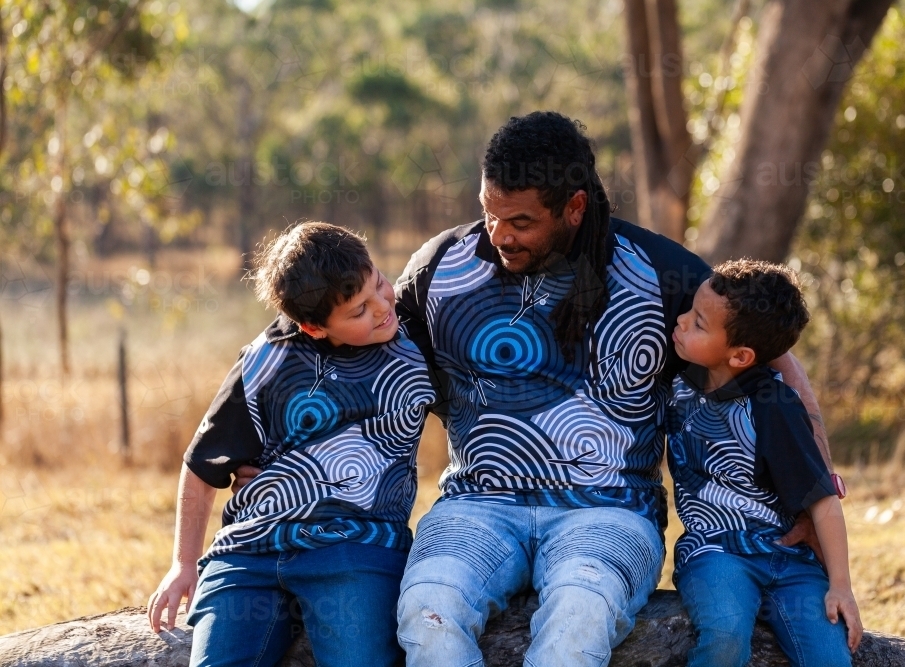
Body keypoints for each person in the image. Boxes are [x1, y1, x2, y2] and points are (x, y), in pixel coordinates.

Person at [386, 111, 838, 666]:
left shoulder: (658, 271)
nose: (499, 235)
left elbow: (772, 363)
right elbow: (349, 329)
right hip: (476, 507)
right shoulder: (442, 268)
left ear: (574, 207)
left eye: (521, 222)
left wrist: (815, 496)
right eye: (488, 214)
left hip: (610, 513)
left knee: (577, 619)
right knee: (427, 614)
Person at [146, 222, 435, 667]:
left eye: (379, 282)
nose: (381, 308)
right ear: (314, 327)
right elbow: (203, 465)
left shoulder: (416, 345)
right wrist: (184, 565)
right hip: (250, 551)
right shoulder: (266, 359)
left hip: (354, 548)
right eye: (358, 311)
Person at [666, 258, 862, 667]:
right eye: (689, 311)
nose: (681, 321)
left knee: (831, 658)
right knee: (723, 635)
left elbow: (822, 499)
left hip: (790, 562)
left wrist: (841, 586)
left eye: (699, 323)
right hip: (715, 551)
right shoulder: (673, 384)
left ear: (740, 356)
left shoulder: (774, 406)